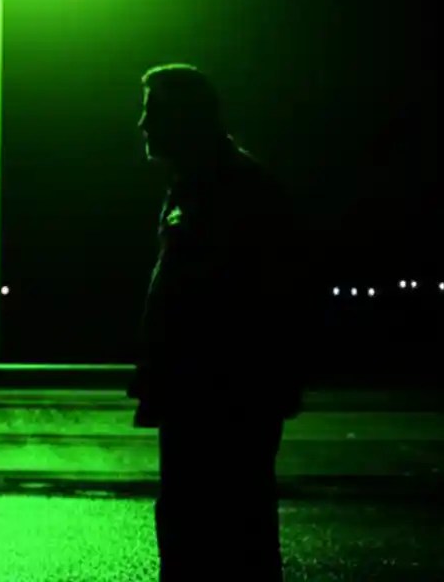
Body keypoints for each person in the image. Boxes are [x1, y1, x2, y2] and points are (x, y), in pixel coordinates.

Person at [128, 63, 309, 581]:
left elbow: (270, 295)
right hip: (196, 395)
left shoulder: (235, 190)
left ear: (185, 118)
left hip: (221, 399)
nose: (143, 124)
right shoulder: (198, 186)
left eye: (152, 111)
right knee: (196, 528)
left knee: (227, 535)